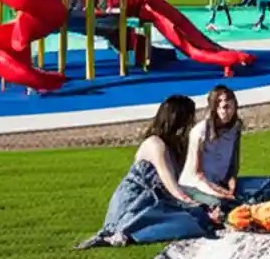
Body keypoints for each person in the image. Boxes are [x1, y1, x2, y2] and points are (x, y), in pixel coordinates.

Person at [77, 95, 221, 248]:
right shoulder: (155, 145)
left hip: (155, 203)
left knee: (200, 218)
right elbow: (172, 187)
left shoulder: (176, 147)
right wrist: (199, 206)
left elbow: (186, 180)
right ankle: (121, 233)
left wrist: (209, 198)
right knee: (192, 223)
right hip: (134, 206)